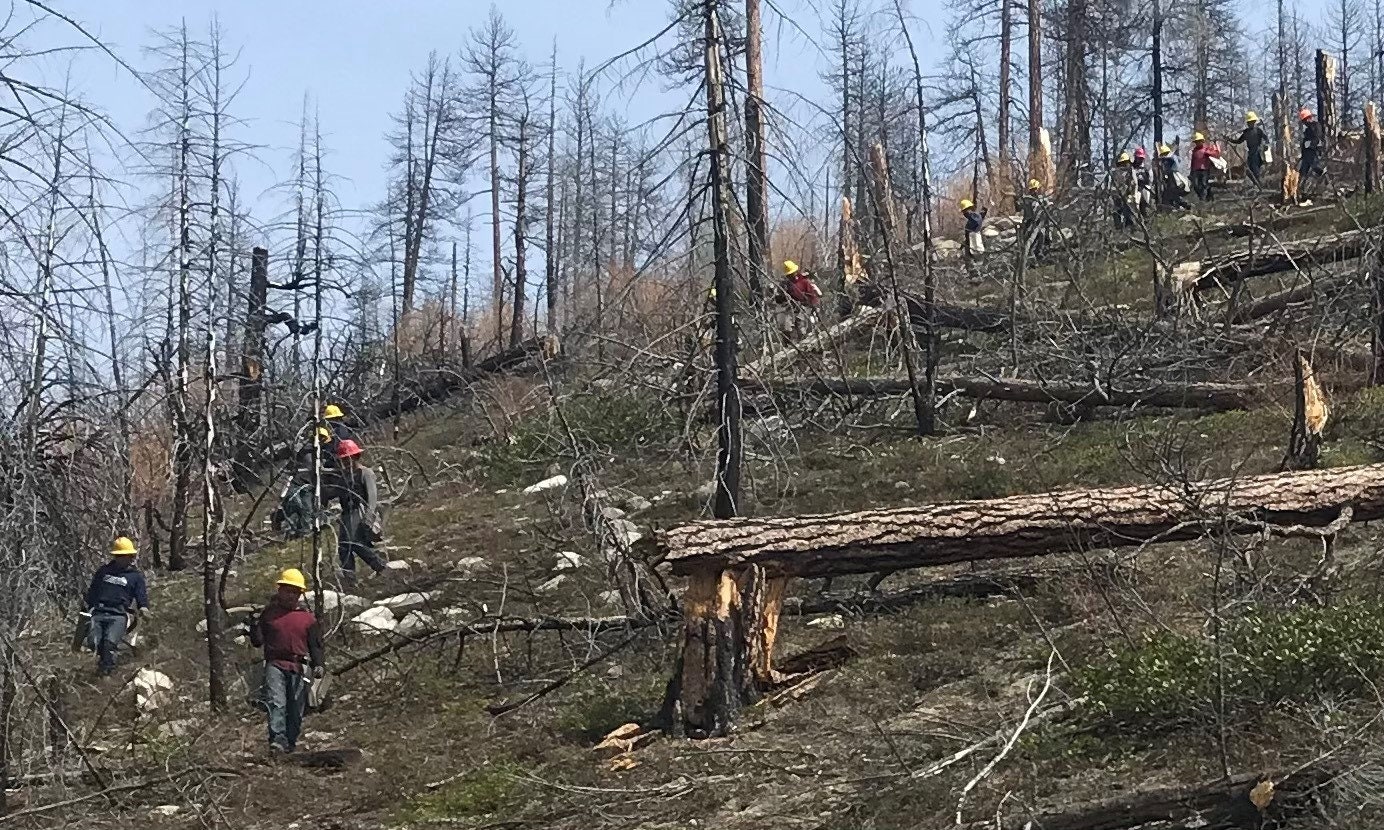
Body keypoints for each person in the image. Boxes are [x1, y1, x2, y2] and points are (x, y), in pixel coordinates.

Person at [248, 568, 324, 755]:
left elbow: (316, 646)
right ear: (279, 590)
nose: (290, 595)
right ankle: (278, 741)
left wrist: (319, 664)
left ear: (300, 594)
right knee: (277, 703)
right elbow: (258, 641)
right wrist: (254, 624)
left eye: (294, 591)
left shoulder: (307, 618)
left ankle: (290, 742)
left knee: (296, 708)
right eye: (287, 590)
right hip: (275, 664)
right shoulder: (269, 614)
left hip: (299, 666)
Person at [83, 537, 150, 676]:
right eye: (118, 556)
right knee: (94, 642)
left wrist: (143, 607)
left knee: (109, 643)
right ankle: (106, 663)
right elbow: (93, 591)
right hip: (98, 612)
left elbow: (141, 596)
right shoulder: (103, 572)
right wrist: (86, 609)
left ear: (130, 556)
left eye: (124, 556)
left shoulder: (135, 577)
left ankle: (107, 673)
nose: (121, 558)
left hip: (118, 614)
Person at [330, 439, 387, 585]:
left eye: (349, 458)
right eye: (344, 460)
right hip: (346, 515)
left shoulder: (365, 473)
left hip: (360, 512)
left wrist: (369, 518)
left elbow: (372, 497)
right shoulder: (343, 476)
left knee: (355, 543)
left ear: (355, 457)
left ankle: (380, 566)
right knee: (344, 548)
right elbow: (334, 493)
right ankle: (350, 581)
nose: (346, 462)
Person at [1226, 111, 1269, 187]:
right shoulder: (1246, 132)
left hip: (1257, 153)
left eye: (1252, 122)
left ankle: (1259, 186)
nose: (1251, 124)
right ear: (1248, 123)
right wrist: (1229, 139)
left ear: (1255, 122)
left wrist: (1266, 146)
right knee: (1249, 171)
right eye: (1249, 122)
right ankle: (1257, 185)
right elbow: (1239, 141)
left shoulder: (1258, 131)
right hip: (1251, 154)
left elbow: (1266, 138)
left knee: (1256, 171)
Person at [1020, 178, 1052, 258]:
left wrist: (1048, 205)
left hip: (1040, 222)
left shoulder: (1042, 198)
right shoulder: (1027, 199)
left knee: (1042, 233)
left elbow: (1048, 206)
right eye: (1033, 189)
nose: (1035, 191)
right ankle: (1029, 254)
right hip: (1029, 222)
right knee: (1031, 238)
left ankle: (1039, 252)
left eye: (1036, 189)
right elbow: (1027, 211)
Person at [1298, 108, 1325, 200]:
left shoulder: (1316, 126)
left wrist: (1311, 145)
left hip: (1314, 151)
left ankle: (1324, 184)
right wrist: (1303, 151)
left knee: (1316, 167)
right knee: (1303, 171)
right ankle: (1301, 190)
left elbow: (1317, 138)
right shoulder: (1307, 130)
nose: (1305, 123)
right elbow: (1304, 143)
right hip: (1306, 154)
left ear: (1309, 118)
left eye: (1305, 120)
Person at [1189, 132, 1222, 201]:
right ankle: (1206, 194)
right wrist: (1191, 171)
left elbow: (1215, 153)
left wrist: (1216, 144)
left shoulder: (1206, 149)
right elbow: (1193, 161)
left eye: (1199, 141)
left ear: (1202, 141)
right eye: (1196, 142)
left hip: (1204, 170)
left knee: (1204, 184)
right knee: (1195, 185)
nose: (1198, 143)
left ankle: (1203, 199)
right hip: (1196, 170)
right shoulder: (1194, 151)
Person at [1158, 144, 1192, 210]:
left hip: (1175, 178)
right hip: (1172, 179)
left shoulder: (1171, 159)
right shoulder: (1167, 160)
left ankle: (1184, 205)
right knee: (1172, 195)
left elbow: (1174, 161)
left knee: (1173, 194)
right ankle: (1181, 206)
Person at [960, 198, 987, 281]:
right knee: (970, 259)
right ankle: (974, 276)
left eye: (964, 211)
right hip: (970, 242)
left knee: (976, 257)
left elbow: (977, 221)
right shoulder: (973, 218)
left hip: (974, 241)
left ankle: (978, 277)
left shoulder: (974, 217)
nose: (964, 214)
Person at [1112, 152, 1137, 227]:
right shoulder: (1116, 172)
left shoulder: (1131, 171)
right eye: (1122, 163)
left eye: (1125, 163)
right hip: (1118, 195)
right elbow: (1114, 183)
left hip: (1128, 194)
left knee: (1129, 213)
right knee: (1116, 212)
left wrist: (1132, 194)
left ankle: (1131, 228)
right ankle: (1118, 229)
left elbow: (1134, 183)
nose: (1123, 165)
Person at [1131, 147, 1154, 215]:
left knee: (1146, 203)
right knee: (1136, 204)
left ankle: (1146, 216)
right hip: (1136, 188)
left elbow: (1151, 177)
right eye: (1138, 158)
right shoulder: (1132, 167)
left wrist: (1149, 185)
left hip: (1145, 187)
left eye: (1141, 158)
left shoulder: (1147, 166)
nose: (1140, 159)